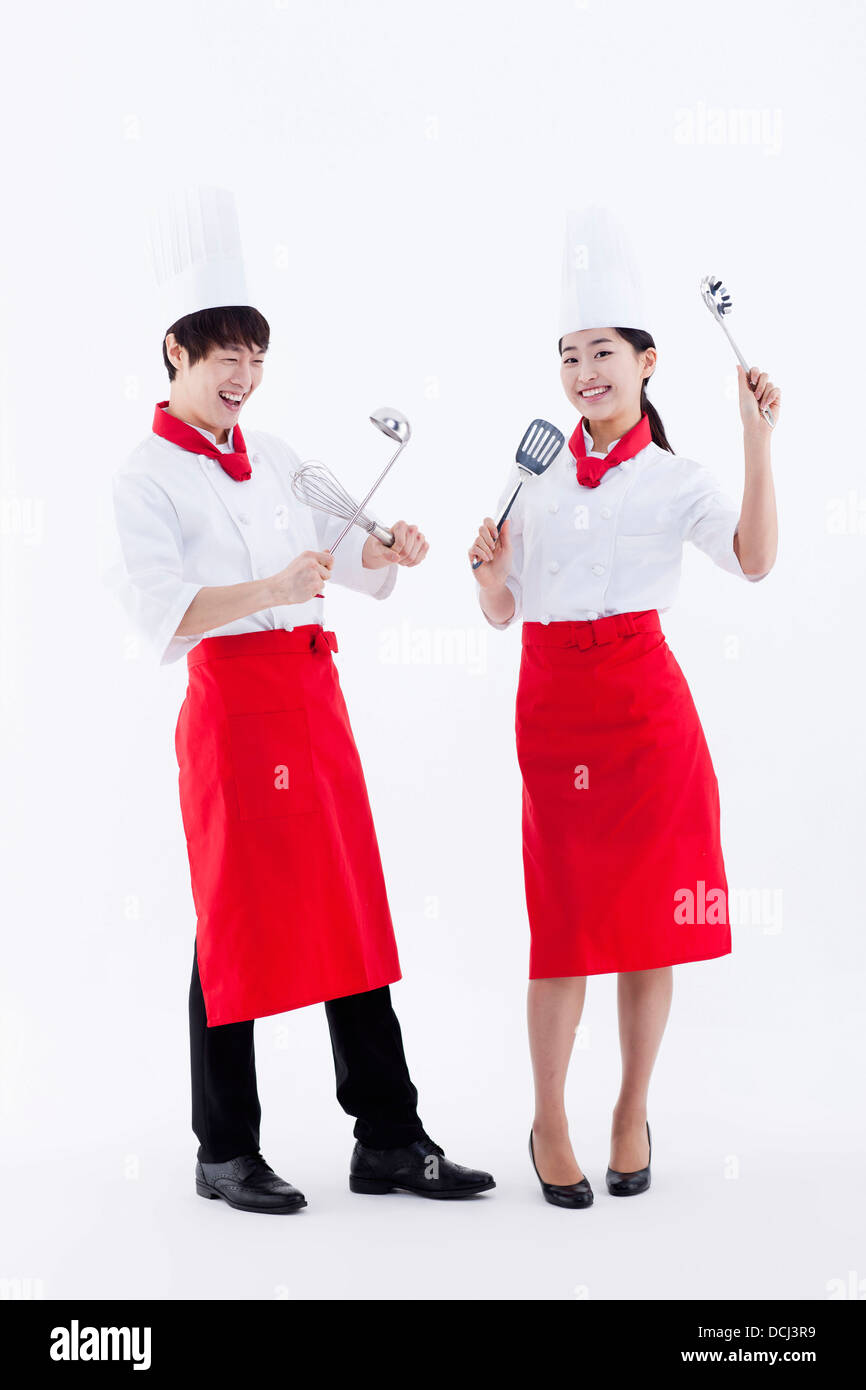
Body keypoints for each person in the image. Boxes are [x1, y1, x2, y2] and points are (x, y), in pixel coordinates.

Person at [108, 187, 495, 1213]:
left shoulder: (278, 457)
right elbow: (161, 613)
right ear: (175, 353)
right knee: (231, 919)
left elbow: (351, 557)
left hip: (313, 706)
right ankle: (223, 1148)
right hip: (233, 714)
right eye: (222, 353)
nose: (243, 375)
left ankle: (388, 1135)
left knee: (348, 905)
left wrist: (389, 547)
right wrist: (269, 590)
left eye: (255, 355)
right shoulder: (145, 477)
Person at [468, 205, 778, 1208]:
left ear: (647, 361)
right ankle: (547, 1117)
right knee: (561, 924)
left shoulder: (677, 478)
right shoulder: (533, 473)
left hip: (647, 714)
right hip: (554, 707)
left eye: (599, 351)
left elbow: (753, 560)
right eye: (567, 355)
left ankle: (628, 1109)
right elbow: (503, 608)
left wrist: (754, 438)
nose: (580, 372)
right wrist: (485, 576)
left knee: (649, 926)